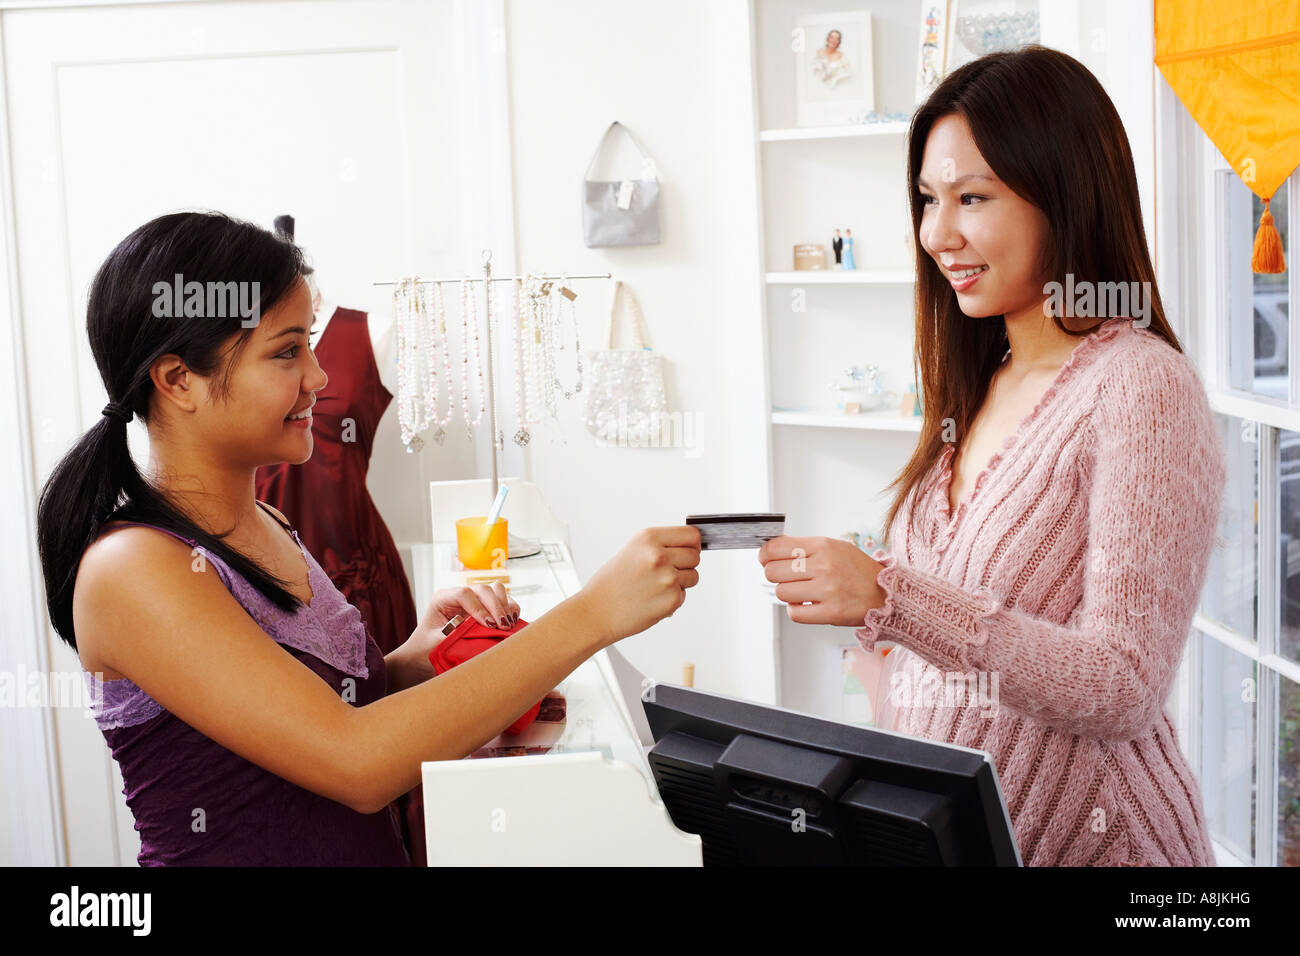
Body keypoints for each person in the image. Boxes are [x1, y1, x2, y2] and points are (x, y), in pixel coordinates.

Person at [36, 210, 701, 865]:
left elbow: (312, 711)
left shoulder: (266, 523)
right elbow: (357, 763)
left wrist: (413, 658)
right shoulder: (134, 570)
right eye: (286, 352)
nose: (319, 380)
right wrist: (592, 615)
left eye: (311, 346)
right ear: (179, 380)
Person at [758, 46, 1225, 866]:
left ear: (1064, 196)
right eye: (928, 200)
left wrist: (888, 597)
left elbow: (1121, 687)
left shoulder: (1142, 388)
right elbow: (958, 630)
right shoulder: (983, 376)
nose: (939, 235)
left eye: (973, 198)